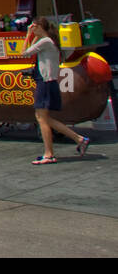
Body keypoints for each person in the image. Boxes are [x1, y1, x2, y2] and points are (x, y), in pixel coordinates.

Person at [23, 18, 89, 164]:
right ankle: (79, 139)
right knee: (44, 118)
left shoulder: (45, 41)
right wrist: (35, 36)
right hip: (48, 81)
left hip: (45, 82)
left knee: (42, 118)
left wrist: (28, 34)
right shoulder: (47, 41)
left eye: (34, 26)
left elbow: (24, 52)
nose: (32, 28)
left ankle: (49, 154)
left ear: (40, 27)